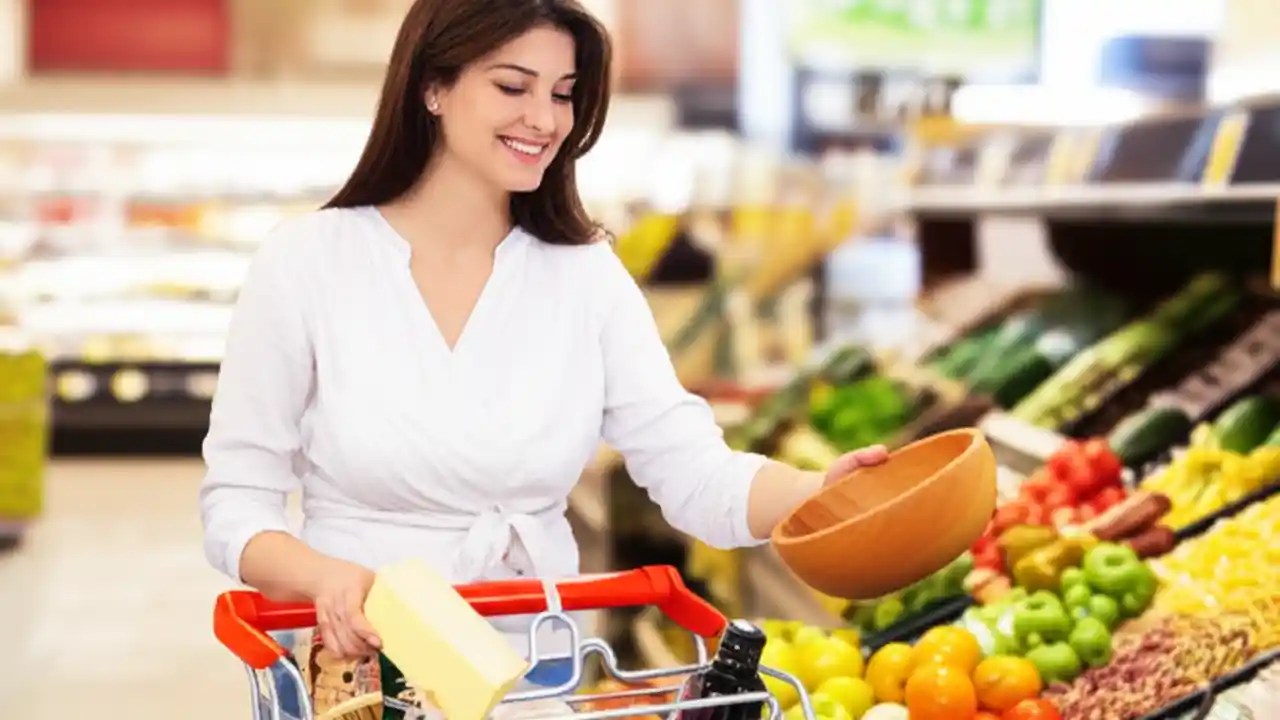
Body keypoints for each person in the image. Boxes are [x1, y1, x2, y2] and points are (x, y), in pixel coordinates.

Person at [199, 0, 887, 679]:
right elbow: (236, 499)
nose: (545, 119)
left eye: (563, 94)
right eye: (512, 86)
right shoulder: (307, 263)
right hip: (366, 668)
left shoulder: (585, 277)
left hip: (534, 660)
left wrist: (818, 493)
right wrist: (321, 577)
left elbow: (692, 472)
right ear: (432, 87)